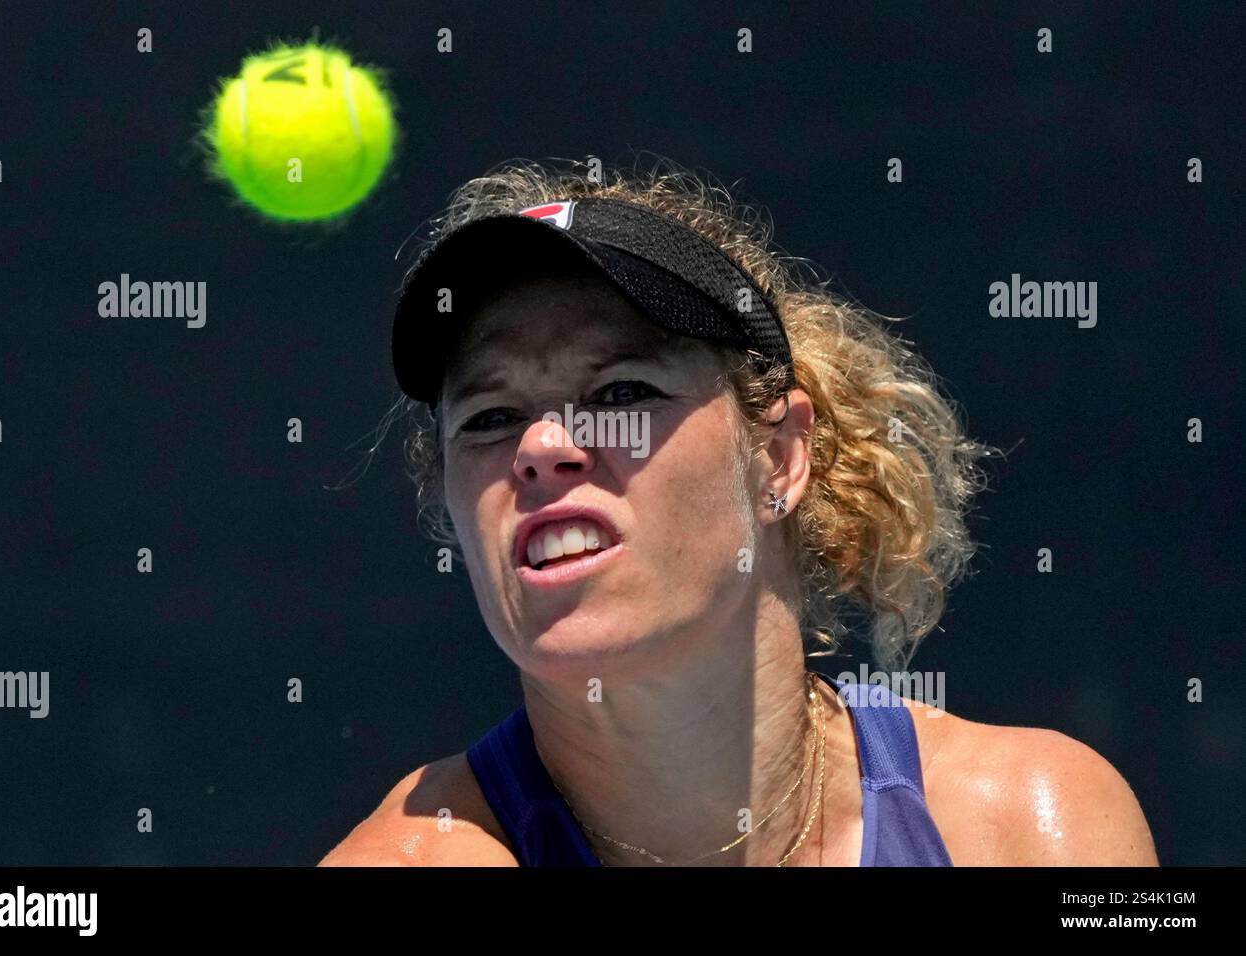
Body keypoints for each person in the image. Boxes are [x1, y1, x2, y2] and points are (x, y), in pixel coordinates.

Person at [319, 158, 1158, 866]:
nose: (540, 446)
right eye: (490, 418)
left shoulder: (1034, 827)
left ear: (781, 455)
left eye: (621, 393)